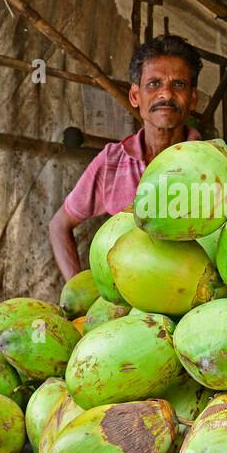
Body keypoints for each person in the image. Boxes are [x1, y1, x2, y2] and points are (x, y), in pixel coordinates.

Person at [49, 35, 202, 280]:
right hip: (127, 302)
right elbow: (59, 225)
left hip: (193, 297)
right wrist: (76, 287)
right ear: (135, 96)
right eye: (153, 84)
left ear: (192, 99)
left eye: (178, 85)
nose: (166, 94)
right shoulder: (112, 162)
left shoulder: (216, 164)